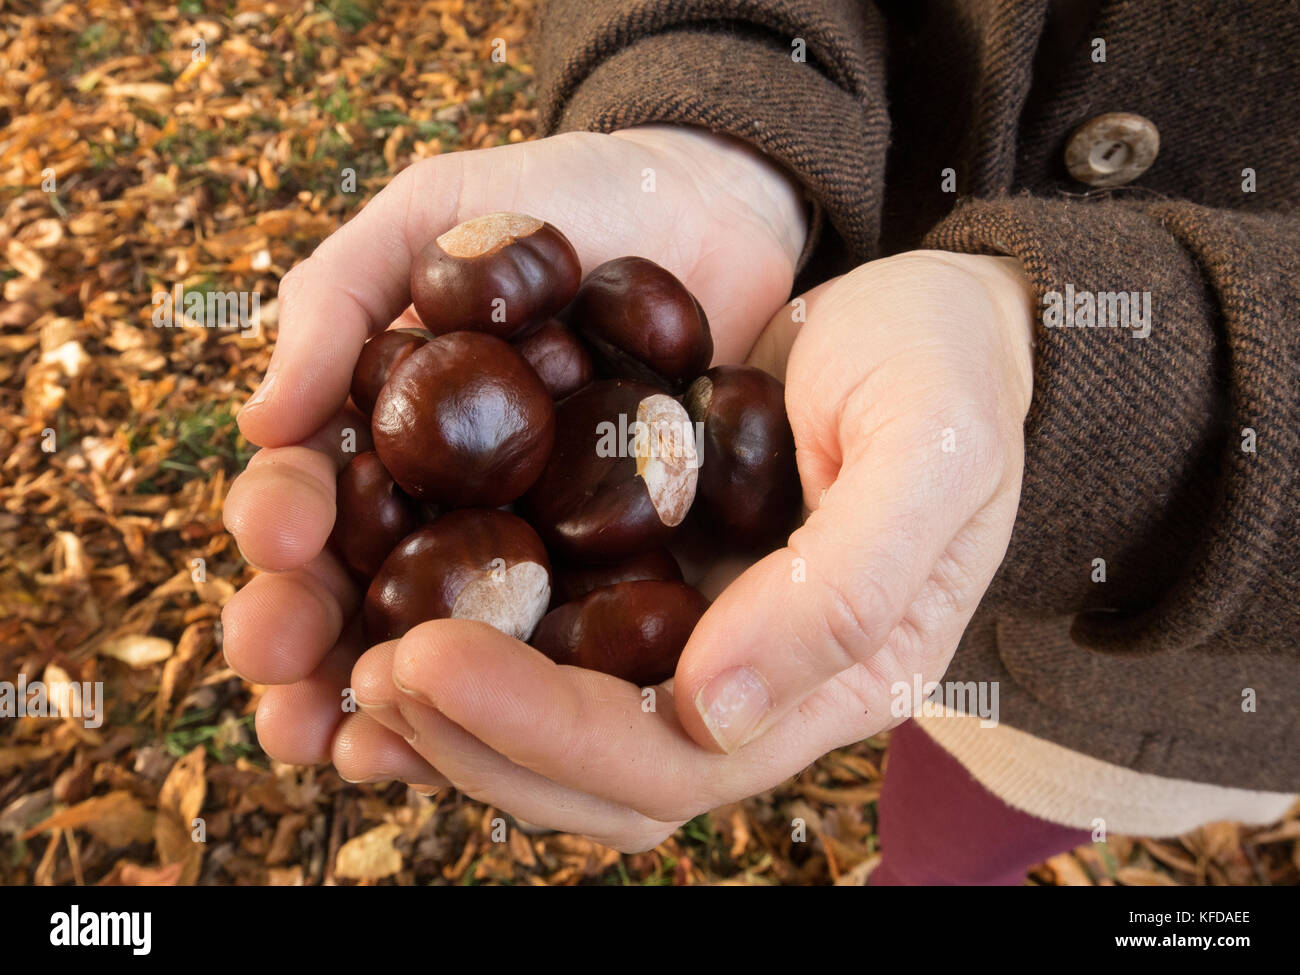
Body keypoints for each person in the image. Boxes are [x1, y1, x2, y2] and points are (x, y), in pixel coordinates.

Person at [222, 0, 1300, 882]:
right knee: (929, 791)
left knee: (995, 814)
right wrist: (711, 118)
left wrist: (1126, 392)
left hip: (1157, 690)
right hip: (832, 428)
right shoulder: (628, 407)